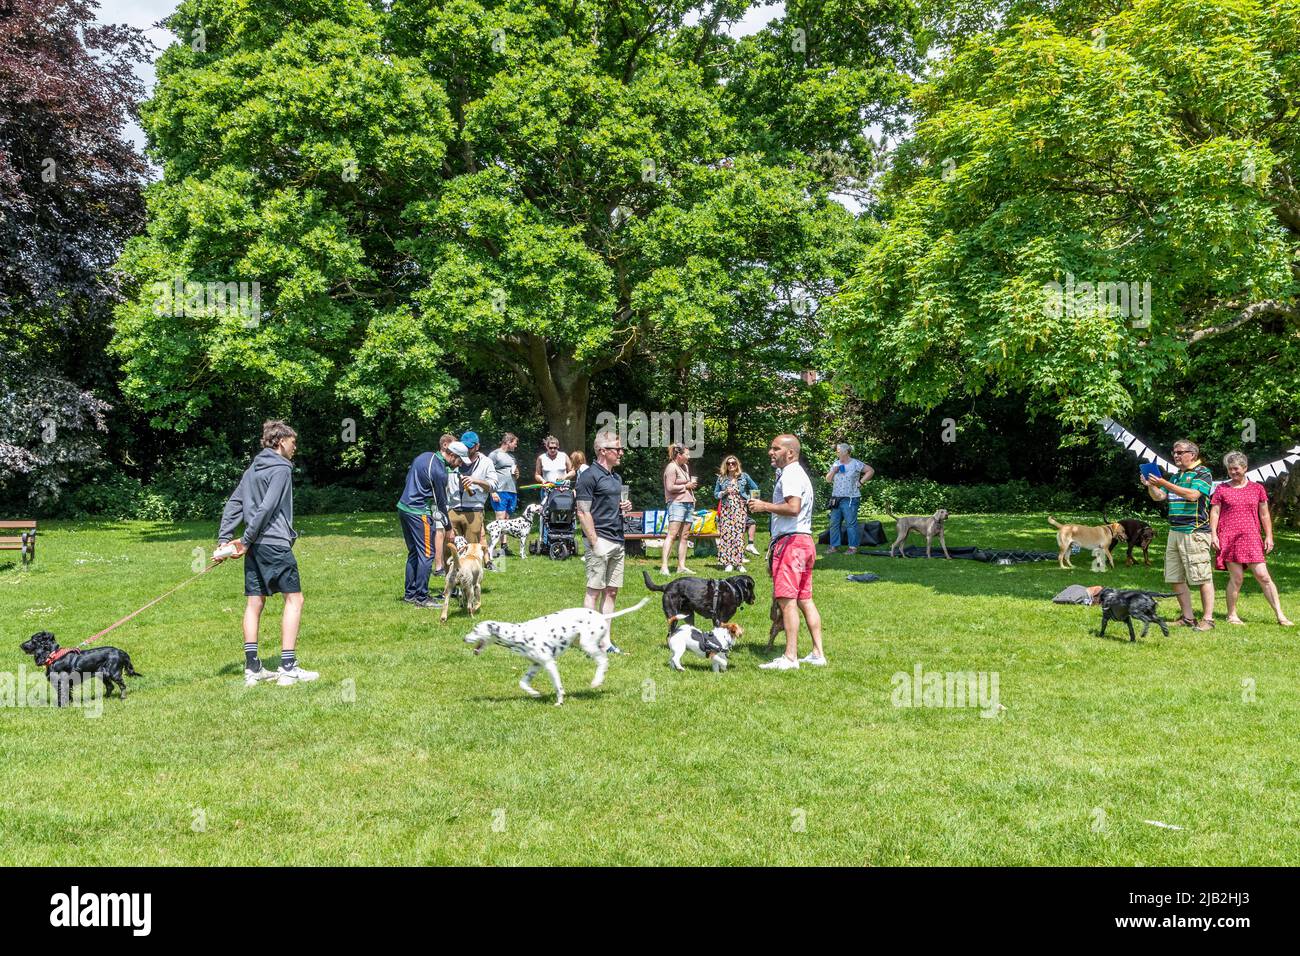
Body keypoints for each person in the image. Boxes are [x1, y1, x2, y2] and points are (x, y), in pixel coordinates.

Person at [216, 420, 318, 686]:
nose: (295, 448)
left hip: (256, 547)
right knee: (295, 600)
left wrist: (224, 538)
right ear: (281, 441)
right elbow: (268, 508)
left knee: (254, 602)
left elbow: (234, 503)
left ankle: (252, 669)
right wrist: (246, 539)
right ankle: (287, 667)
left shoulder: (253, 469)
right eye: (293, 443)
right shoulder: (282, 468)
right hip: (273, 542)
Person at [749, 433, 826, 669]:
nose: (770, 452)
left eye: (775, 449)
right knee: (805, 599)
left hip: (791, 544)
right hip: (804, 541)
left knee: (787, 601)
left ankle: (790, 657)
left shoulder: (791, 473)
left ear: (790, 453)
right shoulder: (799, 473)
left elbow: (793, 507)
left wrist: (764, 506)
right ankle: (817, 653)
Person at [1211, 451, 1292, 626]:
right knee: (1237, 578)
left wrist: (1269, 536)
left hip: (1251, 537)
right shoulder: (1221, 489)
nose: (1233, 472)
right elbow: (1215, 512)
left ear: (1245, 468)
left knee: (1263, 576)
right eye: (1230, 469)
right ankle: (1232, 615)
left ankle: (1280, 615)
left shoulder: (1257, 489)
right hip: (1229, 537)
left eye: (1236, 469)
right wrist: (1213, 534)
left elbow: (1264, 514)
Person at [1142, 438, 1215, 630]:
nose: (1175, 455)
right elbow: (1160, 497)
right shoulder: (1176, 476)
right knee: (1175, 577)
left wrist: (1163, 481)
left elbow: (1192, 495)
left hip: (1194, 532)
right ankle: (1188, 618)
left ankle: (1208, 620)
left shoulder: (1203, 473)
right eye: (1174, 452)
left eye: (1180, 452)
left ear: (1192, 454)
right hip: (1175, 532)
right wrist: (1151, 485)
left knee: (1202, 577)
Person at [575, 430, 635, 653]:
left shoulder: (615, 478)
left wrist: (624, 508)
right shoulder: (588, 476)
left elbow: (611, 506)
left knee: (611, 592)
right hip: (599, 540)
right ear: (602, 451)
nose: (620, 453)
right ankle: (588, 640)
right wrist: (594, 541)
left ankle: (605, 641)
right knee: (594, 591)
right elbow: (582, 512)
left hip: (618, 539)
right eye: (617, 449)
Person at [396, 442, 461, 608]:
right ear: (452, 455)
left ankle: (410, 594)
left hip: (403, 507)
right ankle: (422, 598)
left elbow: (408, 478)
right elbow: (441, 503)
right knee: (427, 554)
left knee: (414, 553)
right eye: (459, 460)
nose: (460, 464)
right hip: (419, 513)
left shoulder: (424, 455)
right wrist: (448, 528)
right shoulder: (440, 472)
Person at [824, 443, 873, 554]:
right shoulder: (836, 463)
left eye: (838, 451)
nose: (836, 452)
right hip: (836, 498)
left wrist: (861, 482)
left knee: (850, 523)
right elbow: (828, 479)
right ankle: (834, 546)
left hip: (850, 498)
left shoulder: (855, 463)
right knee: (834, 523)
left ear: (845, 452)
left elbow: (870, 470)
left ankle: (852, 548)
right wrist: (833, 471)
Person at [449, 431, 496, 545]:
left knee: (471, 549)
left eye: (470, 447)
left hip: (473, 510)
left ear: (477, 446)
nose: (467, 449)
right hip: (452, 509)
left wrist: (476, 480)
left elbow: (493, 485)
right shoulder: (453, 459)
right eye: (464, 446)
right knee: (450, 548)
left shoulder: (486, 462)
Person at [714, 455, 759, 572]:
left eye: (733, 463)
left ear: (737, 464)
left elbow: (755, 488)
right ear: (726, 465)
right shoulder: (721, 478)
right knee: (726, 536)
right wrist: (724, 492)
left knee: (739, 535)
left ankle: (739, 563)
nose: (731, 465)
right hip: (726, 509)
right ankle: (728, 562)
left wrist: (750, 500)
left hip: (740, 509)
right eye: (728, 463)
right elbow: (715, 494)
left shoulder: (744, 477)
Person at [660, 443, 698, 576]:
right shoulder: (671, 467)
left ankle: (681, 566)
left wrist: (690, 490)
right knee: (672, 534)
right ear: (679, 455)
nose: (688, 457)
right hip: (676, 504)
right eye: (686, 454)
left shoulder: (685, 467)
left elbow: (685, 484)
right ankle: (664, 566)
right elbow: (670, 487)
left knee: (685, 536)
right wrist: (686, 486)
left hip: (688, 503)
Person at [535, 436, 572, 550]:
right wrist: (542, 481)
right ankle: (543, 540)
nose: (553, 450)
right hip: (548, 490)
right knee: (544, 514)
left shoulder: (563, 456)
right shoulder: (541, 458)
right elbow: (537, 474)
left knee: (565, 513)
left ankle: (566, 537)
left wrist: (564, 477)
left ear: (558, 447)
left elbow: (572, 471)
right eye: (550, 447)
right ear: (546, 447)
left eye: (555, 447)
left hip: (562, 490)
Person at [488, 433, 521, 554]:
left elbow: (514, 473)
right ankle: (494, 548)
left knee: (506, 518)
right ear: (508, 442)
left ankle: (504, 546)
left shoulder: (512, 458)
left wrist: (517, 474)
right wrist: (492, 491)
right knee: (500, 518)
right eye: (514, 443)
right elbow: (488, 472)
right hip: (499, 490)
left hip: (511, 490)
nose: (516, 446)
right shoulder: (494, 454)